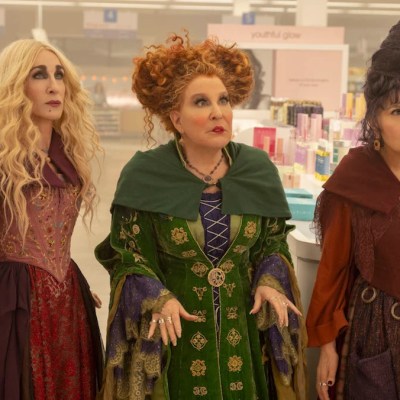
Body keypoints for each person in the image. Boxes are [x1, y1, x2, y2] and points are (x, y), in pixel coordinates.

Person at [95, 32, 307, 400]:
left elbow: (272, 242)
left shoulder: (256, 169)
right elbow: (128, 255)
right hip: (175, 337)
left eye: (223, 100)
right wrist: (156, 296)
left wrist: (269, 279)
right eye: (201, 102)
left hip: (242, 333)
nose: (217, 112)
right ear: (176, 118)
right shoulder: (145, 175)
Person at [0, 39, 103, 400]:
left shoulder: (67, 156)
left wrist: (69, 278)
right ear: (16, 84)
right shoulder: (4, 160)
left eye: (59, 75)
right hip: (16, 300)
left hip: (68, 299)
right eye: (39, 75)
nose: (54, 85)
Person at [306, 20, 400, 400]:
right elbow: (333, 269)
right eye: (398, 111)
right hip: (377, 330)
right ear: (374, 117)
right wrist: (327, 345)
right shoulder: (355, 178)